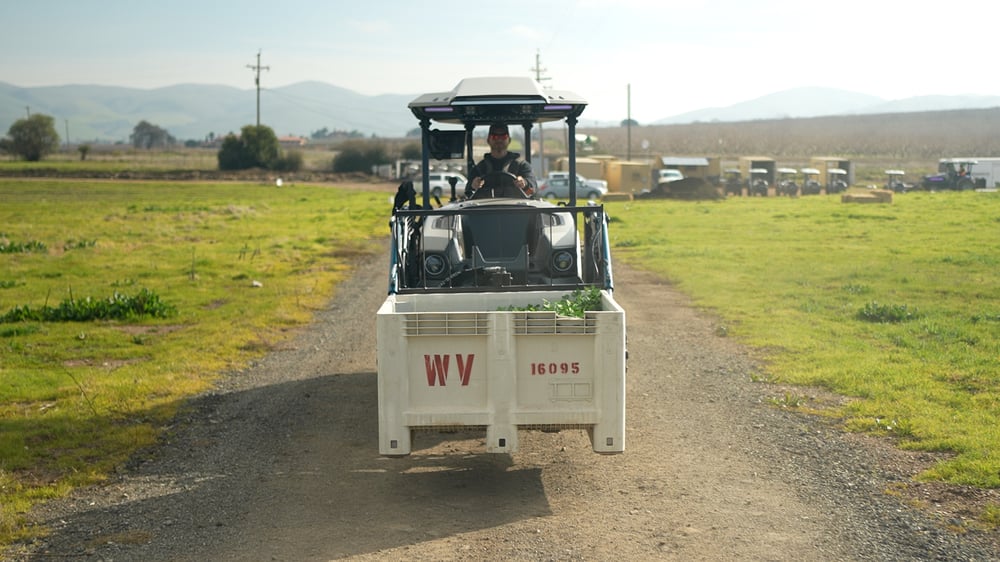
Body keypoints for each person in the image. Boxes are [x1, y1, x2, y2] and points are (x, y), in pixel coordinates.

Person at [466, 123, 537, 197]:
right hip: (486, 207)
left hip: (516, 207)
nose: (499, 139)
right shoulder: (480, 168)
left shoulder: (521, 166)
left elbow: (532, 191)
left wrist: (524, 183)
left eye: (503, 137)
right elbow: (468, 193)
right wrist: (473, 186)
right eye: (494, 137)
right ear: (488, 140)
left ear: (509, 140)